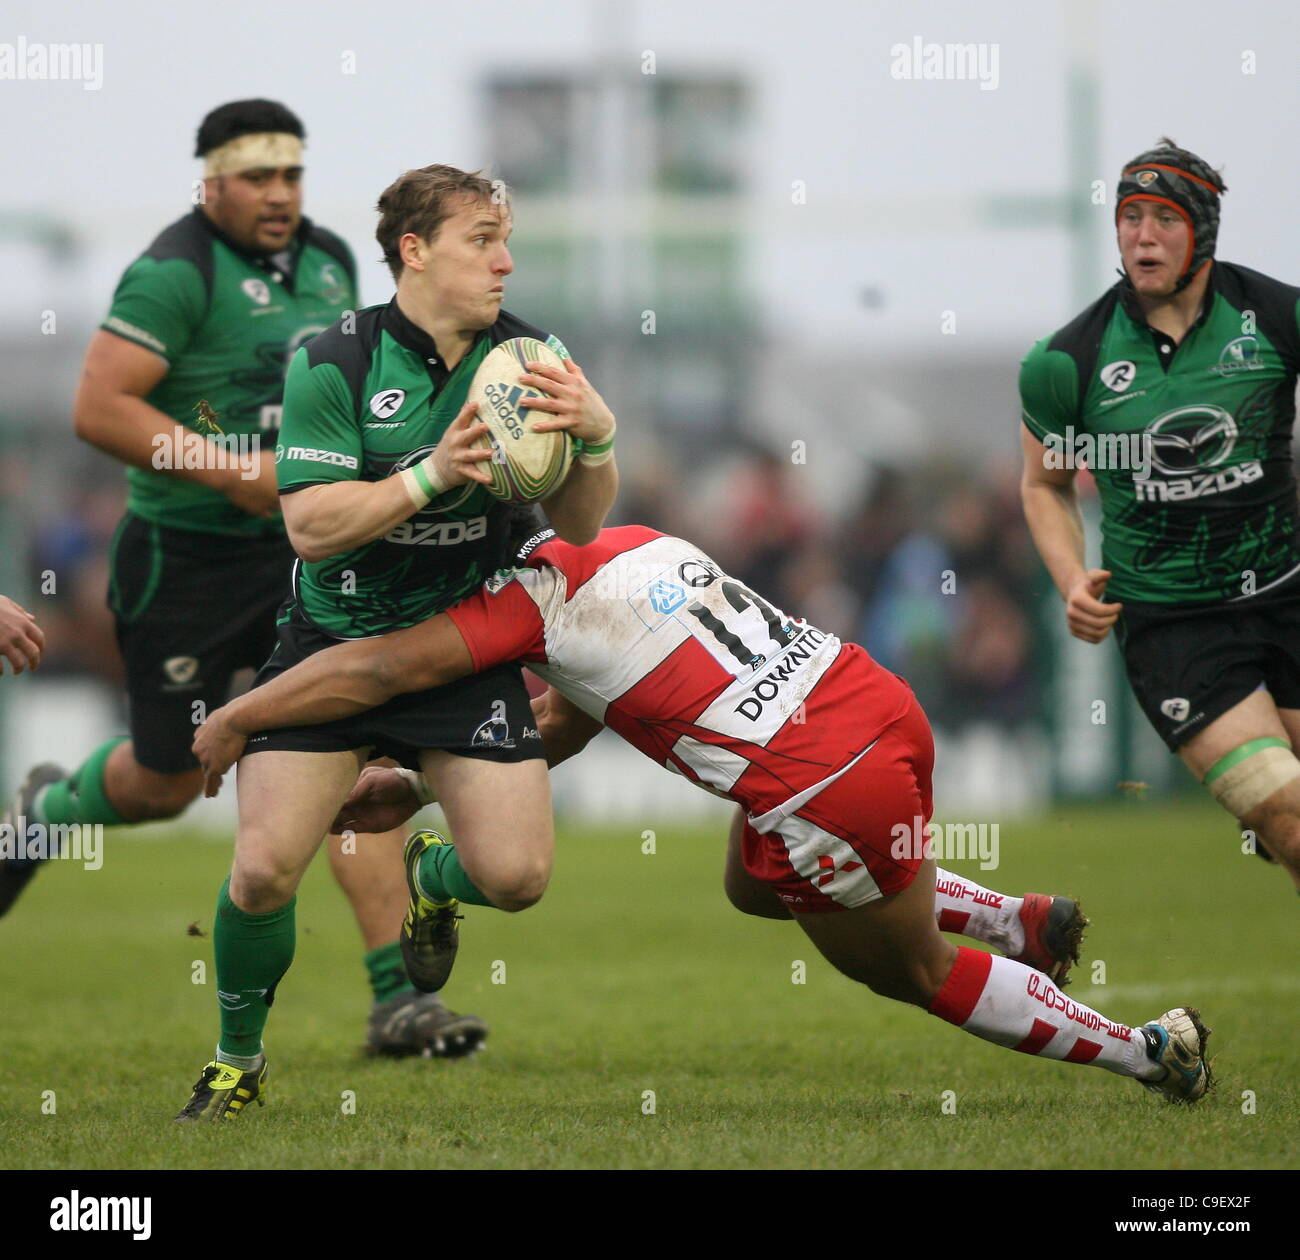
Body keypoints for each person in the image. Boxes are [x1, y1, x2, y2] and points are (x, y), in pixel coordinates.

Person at [194, 523, 1212, 1108]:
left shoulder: (517, 604)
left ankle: (1144, 1050)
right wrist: (420, 789)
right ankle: (1008, 919)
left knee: (909, 970)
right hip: (873, 704)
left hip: (818, 781)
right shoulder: (631, 541)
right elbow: (575, 721)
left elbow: (375, 666)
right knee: (749, 884)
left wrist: (241, 713)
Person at [0, 100, 486, 1060]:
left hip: (314, 555)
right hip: (184, 561)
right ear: (211, 181)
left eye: (291, 176)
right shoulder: (175, 273)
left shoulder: (332, 260)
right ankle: (51, 810)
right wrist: (234, 470)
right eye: (256, 177)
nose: (278, 195)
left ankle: (398, 1001)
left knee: (353, 748)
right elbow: (100, 407)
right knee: (164, 784)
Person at [174, 164, 619, 1120]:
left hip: (459, 649)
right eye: (482, 241)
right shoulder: (333, 359)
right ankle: (235, 1061)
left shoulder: (533, 354)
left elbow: (580, 525)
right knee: (260, 870)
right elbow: (312, 526)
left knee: (518, 877)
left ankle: (432, 874)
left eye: (508, 241)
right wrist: (431, 475)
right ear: (414, 252)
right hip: (332, 647)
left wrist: (597, 439)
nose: (505, 261)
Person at [1019, 138, 1300, 894]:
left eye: (1163, 219)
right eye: (1128, 216)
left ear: (1201, 231)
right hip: (1176, 628)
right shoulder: (1067, 362)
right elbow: (1044, 486)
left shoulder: (1277, 315)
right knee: (1289, 815)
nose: (1141, 235)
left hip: (1289, 593)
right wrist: (1072, 578)